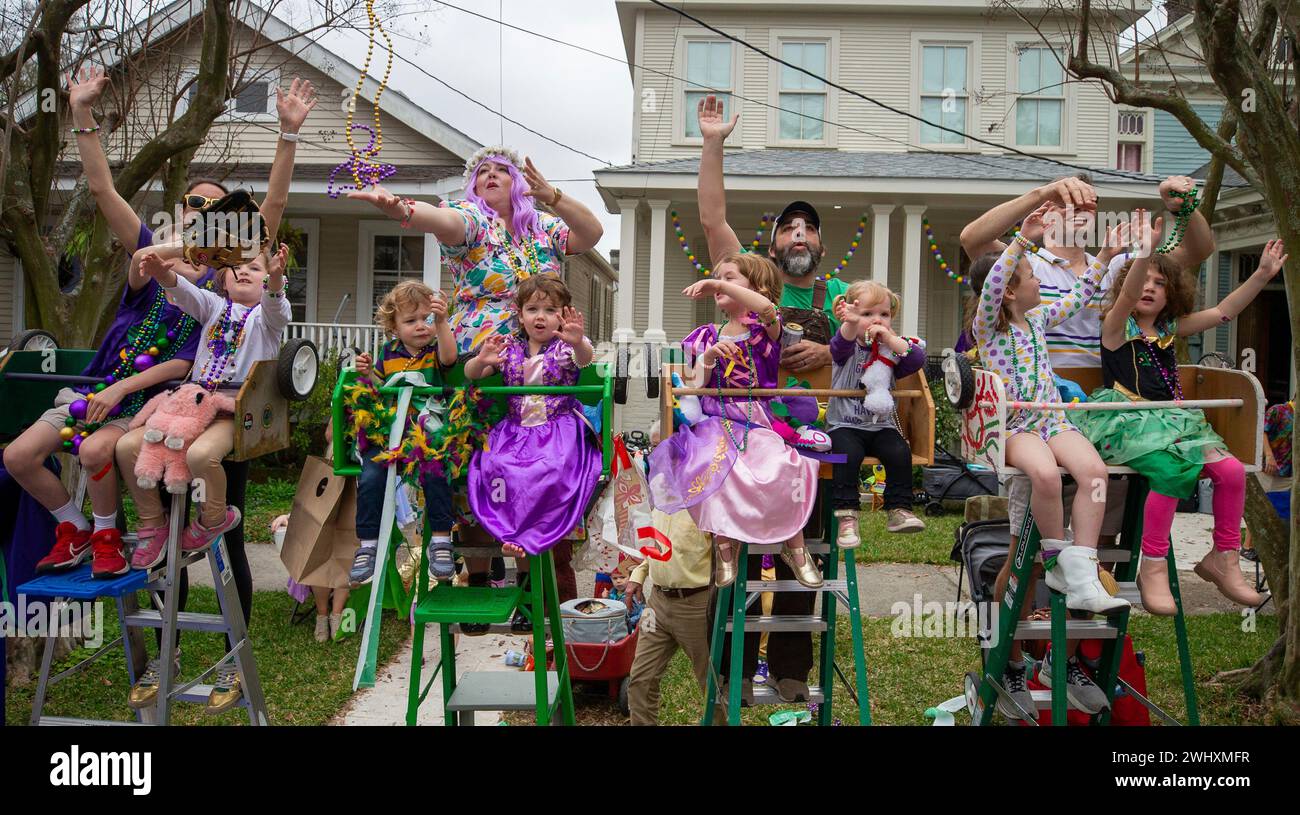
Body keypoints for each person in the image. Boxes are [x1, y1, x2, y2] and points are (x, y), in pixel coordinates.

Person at [348, 146, 603, 617]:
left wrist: (554, 196)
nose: (489, 176)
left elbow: (592, 232)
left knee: (534, 472)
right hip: (480, 364)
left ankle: (536, 593)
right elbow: (439, 221)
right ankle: (479, 577)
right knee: (474, 465)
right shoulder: (472, 220)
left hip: (539, 368)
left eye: (500, 171)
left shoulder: (541, 226)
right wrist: (401, 209)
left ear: (517, 183)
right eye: (481, 171)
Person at [968, 204, 1130, 718]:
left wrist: (1104, 256)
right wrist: (1022, 240)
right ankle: (1056, 561)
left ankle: (1077, 563)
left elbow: (1081, 296)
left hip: (1052, 420)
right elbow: (995, 282)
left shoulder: (1036, 317)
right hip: (1015, 427)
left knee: (1095, 474)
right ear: (1011, 289)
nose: (1042, 282)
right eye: (1031, 278)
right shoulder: (989, 326)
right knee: (1040, 476)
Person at [1076, 232, 1285, 612]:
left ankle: (1224, 558)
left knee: (1232, 472)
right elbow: (1125, 297)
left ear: (1172, 294)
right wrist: (1143, 253)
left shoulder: (1169, 330)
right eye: (1144, 281)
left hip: (1173, 420)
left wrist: (1261, 275)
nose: (1150, 288)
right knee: (1172, 473)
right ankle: (1151, 566)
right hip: (1128, 421)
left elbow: (1224, 312)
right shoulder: (1116, 326)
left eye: (1161, 283)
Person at [465, 276, 601, 627]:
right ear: (519, 314)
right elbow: (472, 374)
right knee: (494, 465)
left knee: (550, 471)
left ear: (562, 315)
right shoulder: (508, 346)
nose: (541, 317)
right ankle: (511, 535)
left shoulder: (565, 346)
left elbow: (587, 361)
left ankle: (529, 569)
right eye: (533, 309)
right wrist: (481, 361)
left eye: (550, 310)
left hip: (557, 429)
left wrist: (579, 342)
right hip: (514, 431)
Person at [346, 281, 458, 586]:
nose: (421, 326)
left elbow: (450, 359)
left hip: (428, 430)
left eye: (427, 319)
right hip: (392, 431)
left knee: (436, 473)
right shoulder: (389, 351)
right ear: (393, 327)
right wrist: (366, 371)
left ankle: (440, 539)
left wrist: (444, 322)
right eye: (411, 321)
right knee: (370, 477)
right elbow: (380, 385)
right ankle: (367, 546)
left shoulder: (436, 349)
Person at [827, 280, 928, 540]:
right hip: (845, 425)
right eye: (867, 314)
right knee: (848, 453)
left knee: (899, 451)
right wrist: (849, 323)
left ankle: (899, 509)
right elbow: (840, 344)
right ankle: (847, 514)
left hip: (880, 425)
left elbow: (916, 359)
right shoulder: (846, 349)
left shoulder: (891, 349)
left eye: (884, 314)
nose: (877, 320)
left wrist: (891, 339)